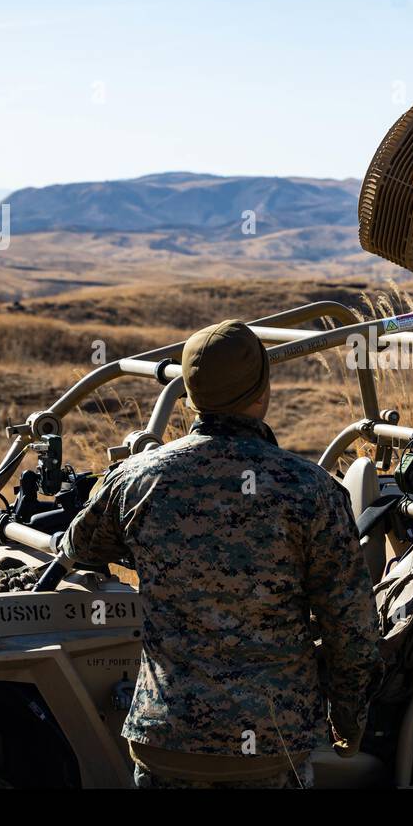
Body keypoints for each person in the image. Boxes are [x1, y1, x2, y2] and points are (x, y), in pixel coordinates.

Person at [60, 319, 382, 788]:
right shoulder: (310, 490)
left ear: (190, 394)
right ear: (262, 391)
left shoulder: (135, 480)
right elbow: (352, 633)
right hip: (269, 748)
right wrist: (348, 727)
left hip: (164, 739)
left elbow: (78, 546)